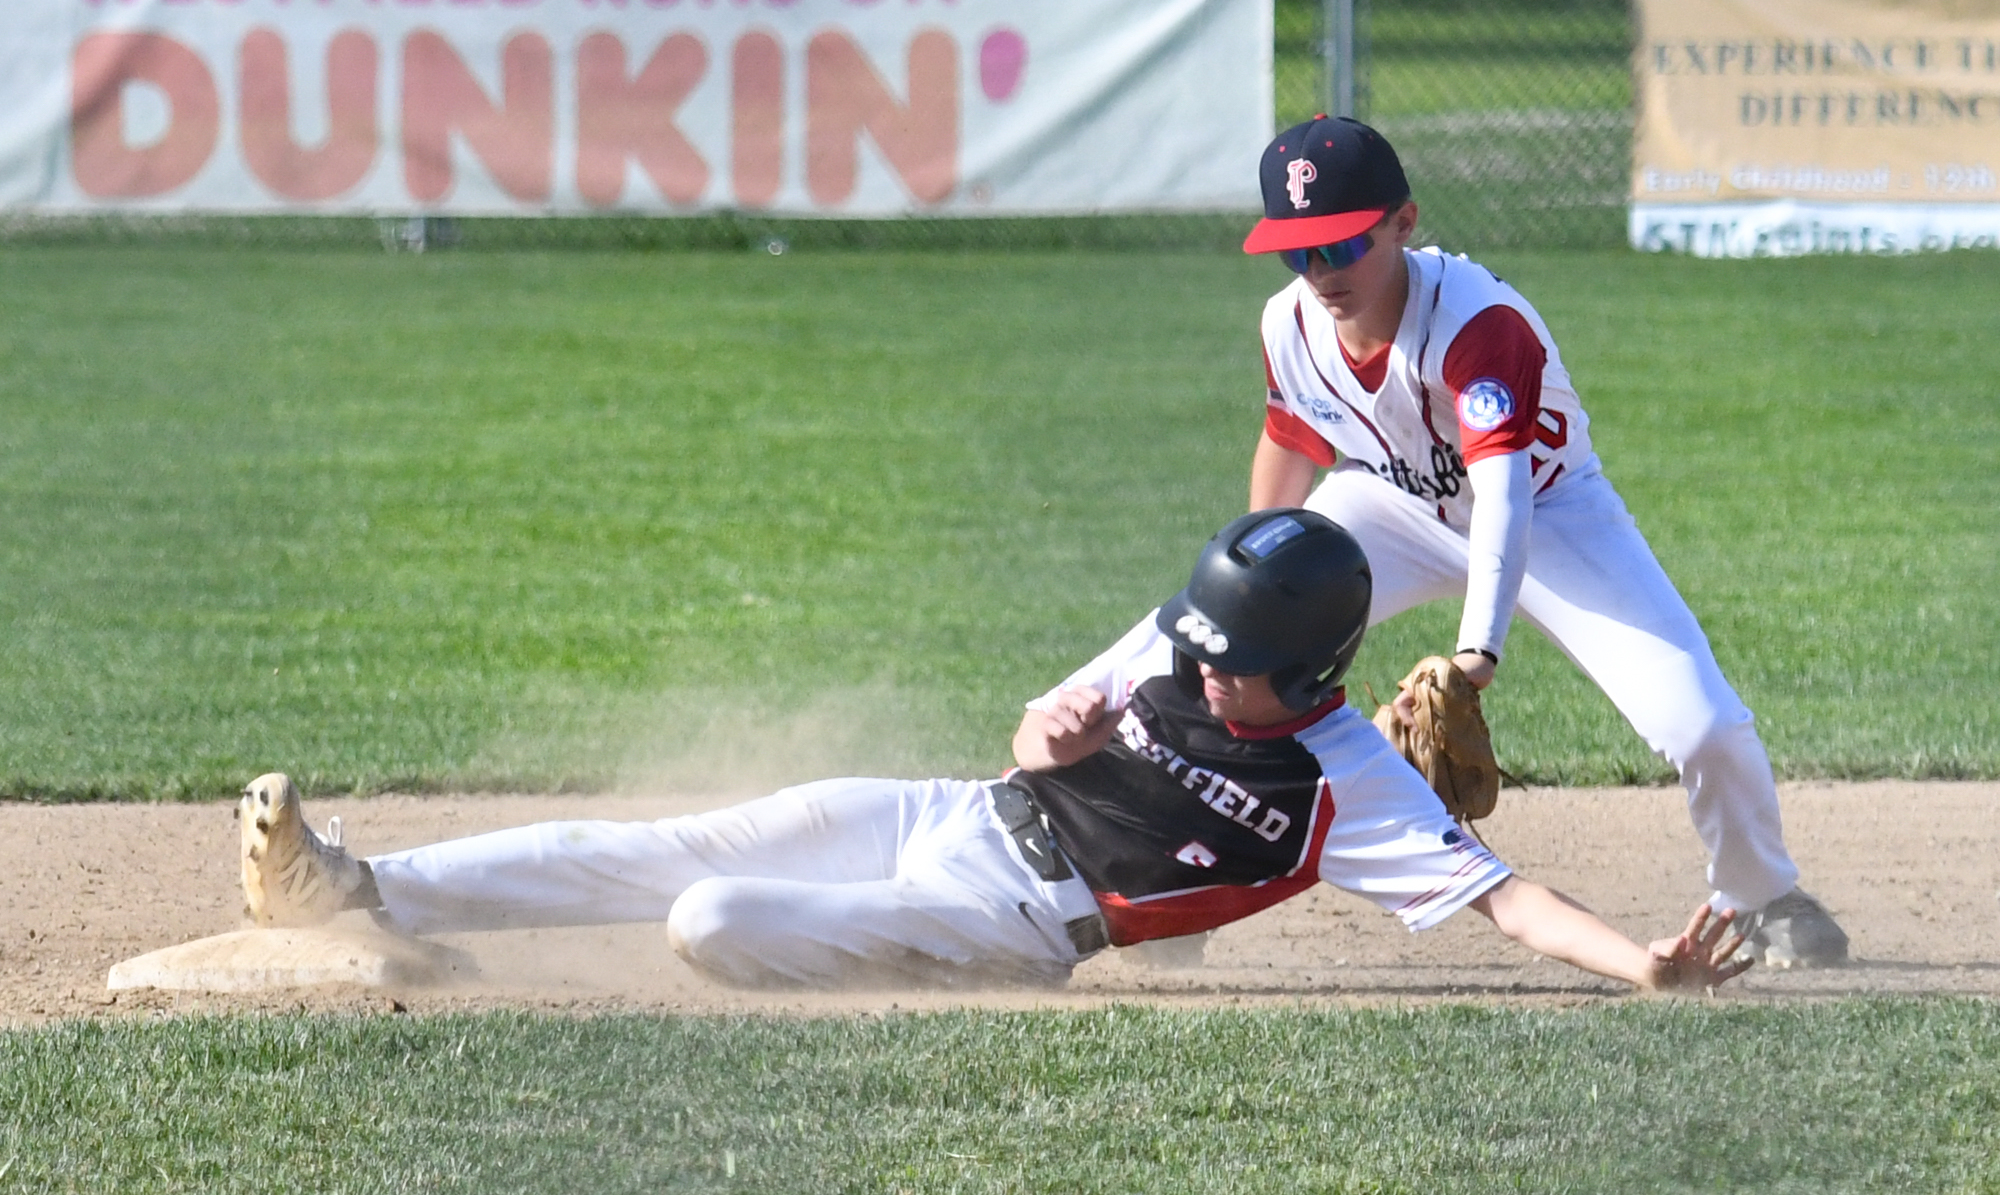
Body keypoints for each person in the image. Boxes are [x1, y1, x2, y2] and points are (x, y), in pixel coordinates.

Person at [240, 510, 1749, 994]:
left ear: (1305, 671)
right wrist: (1057, 722)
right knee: (689, 846)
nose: (1193, 661)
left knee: (708, 924)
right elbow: (1032, 726)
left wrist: (1643, 963)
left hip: (1016, 921)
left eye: (1225, 659)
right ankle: (363, 889)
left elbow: (1502, 894)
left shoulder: (1347, 780)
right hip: (951, 810)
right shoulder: (1186, 644)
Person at [1239, 115, 1846, 968]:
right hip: (1392, 506)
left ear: (1405, 224)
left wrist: (1476, 653)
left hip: (1550, 511)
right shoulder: (1289, 323)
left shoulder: (1478, 323)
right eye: (1297, 253)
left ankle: (1760, 891)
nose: (1319, 272)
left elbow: (1504, 495)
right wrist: (1255, 589)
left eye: (1341, 246)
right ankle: (1142, 846)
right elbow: (1294, 436)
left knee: (1703, 725)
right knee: (1212, 638)